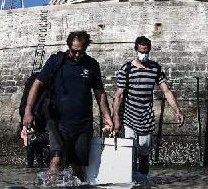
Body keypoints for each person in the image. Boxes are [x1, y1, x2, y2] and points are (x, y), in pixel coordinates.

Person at [22, 30, 115, 180]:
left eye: (82, 51)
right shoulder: (56, 60)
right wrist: (28, 111)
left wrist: (107, 117)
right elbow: (37, 84)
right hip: (57, 122)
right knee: (56, 160)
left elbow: (100, 93)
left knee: (78, 167)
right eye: (74, 51)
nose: (78, 55)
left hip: (83, 123)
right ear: (69, 47)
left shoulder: (92, 65)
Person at [111, 36, 183, 175]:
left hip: (146, 117)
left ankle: (143, 184)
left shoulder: (155, 68)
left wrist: (177, 111)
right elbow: (118, 94)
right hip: (128, 117)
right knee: (129, 155)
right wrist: (116, 118)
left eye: (146, 52)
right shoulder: (126, 69)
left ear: (149, 50)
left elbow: (166, 91)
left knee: (144, 156)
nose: (144, 55)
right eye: (141, 52)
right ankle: (129, 184)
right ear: (136, 50)